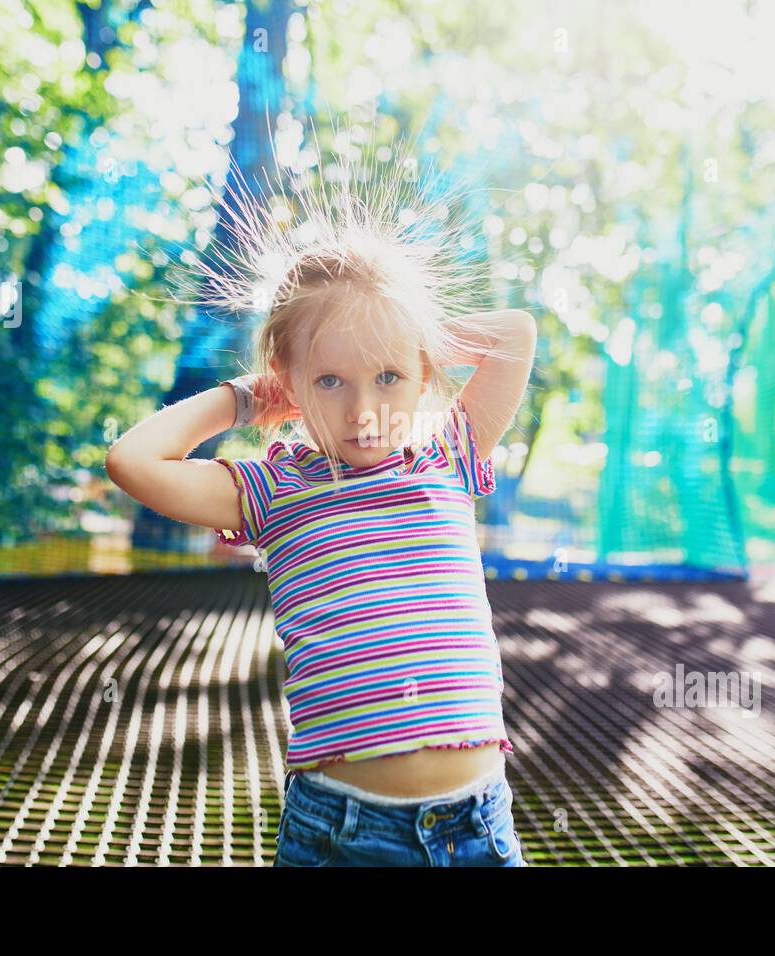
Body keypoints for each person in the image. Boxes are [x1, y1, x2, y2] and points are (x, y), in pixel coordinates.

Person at [105, 158, 537, 865]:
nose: (363, 413)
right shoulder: (273, 490)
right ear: (292, 380)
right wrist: (243, 398)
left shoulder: (448, 452)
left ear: (423, 370)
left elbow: (514, 334)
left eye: (389, 377)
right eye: (330, 380)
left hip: (478, 826)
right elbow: (131, 460)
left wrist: (399, 328)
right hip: (342, 833)